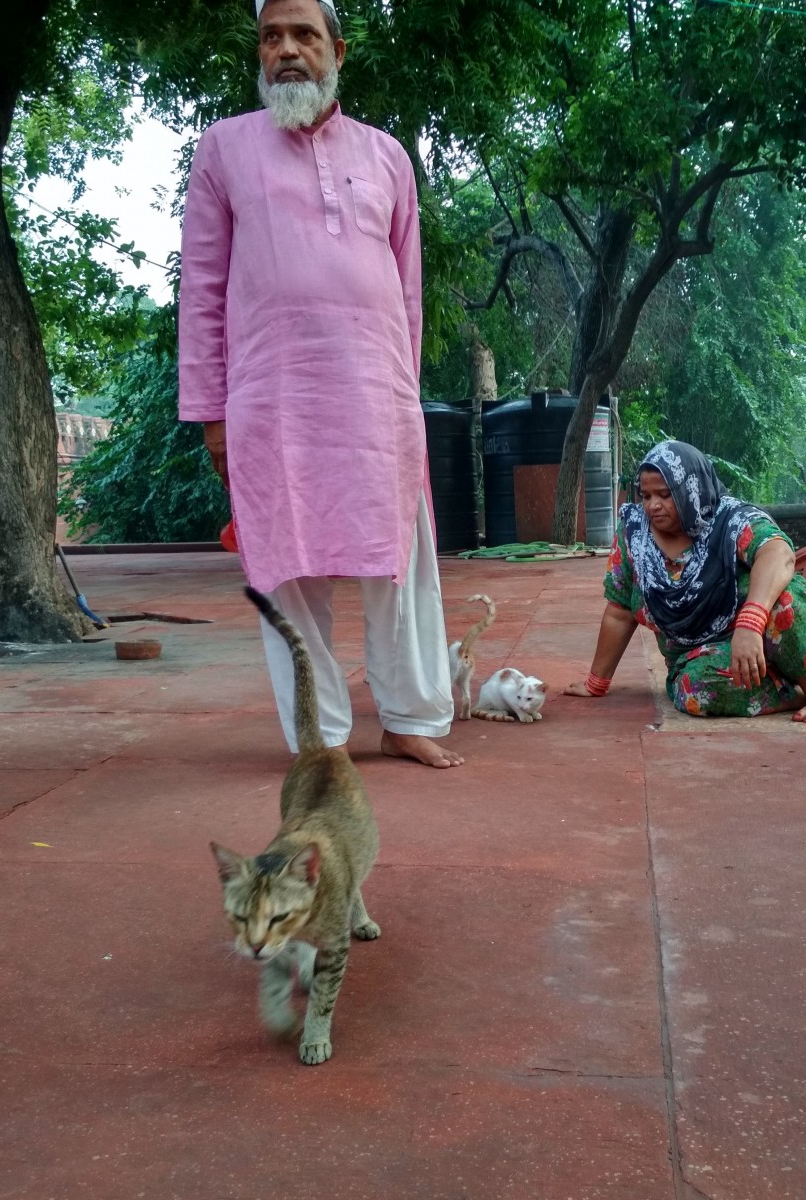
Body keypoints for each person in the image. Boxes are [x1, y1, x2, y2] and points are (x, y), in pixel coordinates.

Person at [178, 0, 463, 768]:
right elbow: (202, 287)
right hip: (272, 400)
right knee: (286, 572)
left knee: (398, 564)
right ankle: (321, 736)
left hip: (376, 395)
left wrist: (406, 394)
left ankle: (409, 717)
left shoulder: (385, 156)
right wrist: (211, 413)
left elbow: (407, 292)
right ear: (260, 53)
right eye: (272, 37)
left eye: (304, 35)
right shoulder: (223, 149)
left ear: (336, 51)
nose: (287, 50)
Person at [564, 440, 806, 743]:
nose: (652, 505)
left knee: (789, 599)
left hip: (758, 630)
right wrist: (597, 682)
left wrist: (750, 622)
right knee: (694, 691)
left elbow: (778, 553)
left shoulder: (729, 519)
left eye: (664, 494)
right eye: (646, 495)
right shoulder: (633, 533)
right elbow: (619, 612)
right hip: (698, 654)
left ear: (691, 488)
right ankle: (796, 694)